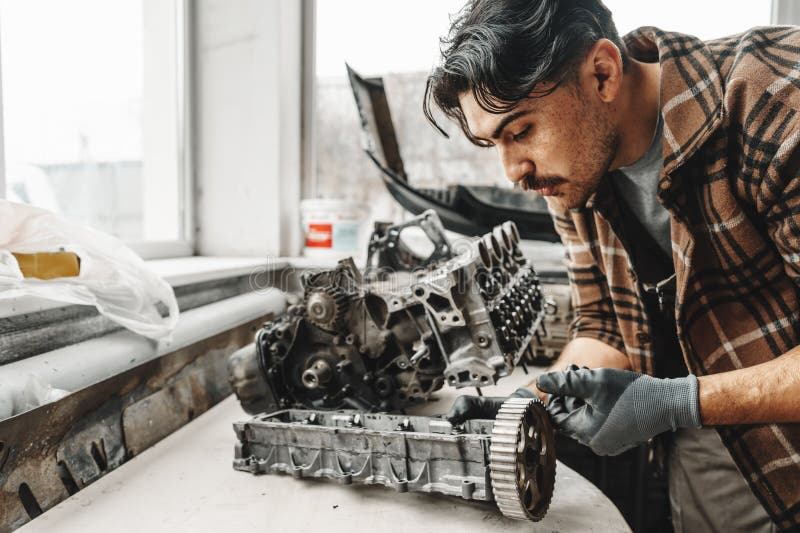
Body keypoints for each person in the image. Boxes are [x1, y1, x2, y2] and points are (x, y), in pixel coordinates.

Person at [424, 1, 800, 531]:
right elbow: (606, 324)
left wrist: (677, 401)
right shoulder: (572, 169)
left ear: (602, 73)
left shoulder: (779, 103)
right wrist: (525, 404)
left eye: (521, 131)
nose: (513, 172)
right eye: (493, 144)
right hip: (709, 441)